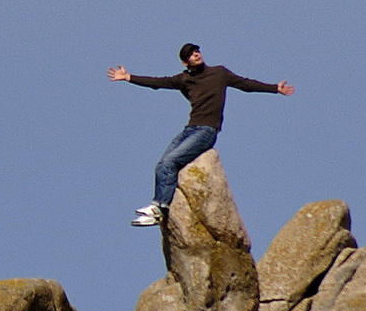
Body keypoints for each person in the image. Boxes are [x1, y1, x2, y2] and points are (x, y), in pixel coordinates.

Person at [108, 43, 293, 226]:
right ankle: (158, 206)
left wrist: (275, 88)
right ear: (184, 62)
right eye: (191, 54)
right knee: (161, 166)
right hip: (189, 130)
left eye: (197, 51)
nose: (196, 54)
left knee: (169, 162)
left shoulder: (219, 73)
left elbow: (246, 84)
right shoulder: (184, 79)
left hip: (207, 131)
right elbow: (158, 83)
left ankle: (160, 209)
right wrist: (128, 77)